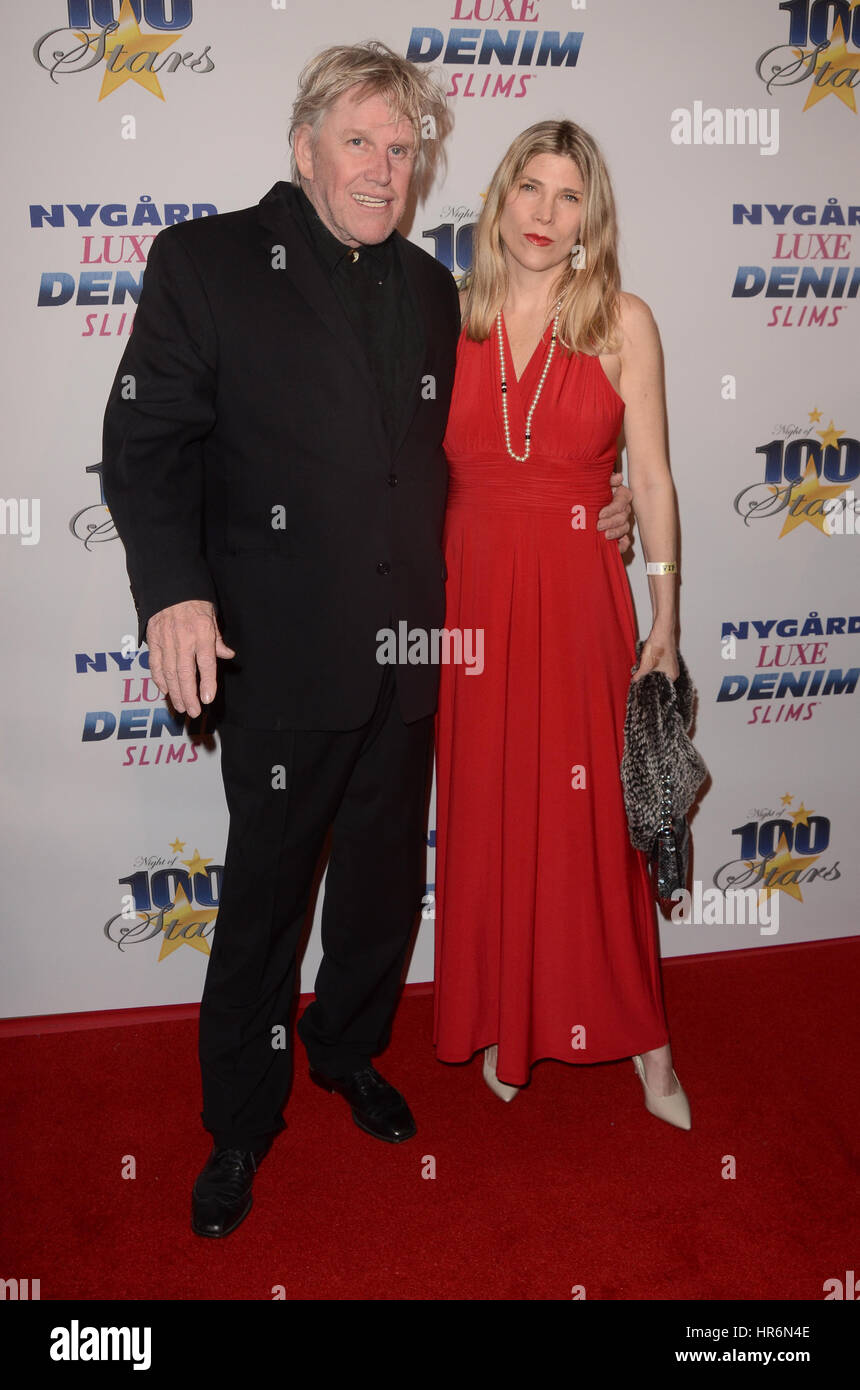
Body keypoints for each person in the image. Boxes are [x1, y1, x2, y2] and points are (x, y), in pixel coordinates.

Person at [101, 45, 636, 1240]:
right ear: (303, 147)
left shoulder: (437, 289)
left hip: (411, 656)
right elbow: (145, 446)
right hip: (281, 658)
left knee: (385, 890)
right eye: (360, 141)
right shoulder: (208, 261)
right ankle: (242, 1119)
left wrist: (602, 499)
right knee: (264, 904)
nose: (382, 168)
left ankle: (345, 1049)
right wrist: (173, 590)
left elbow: (497, 451)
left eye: (402, 150)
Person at [433, 119, 692, 1130]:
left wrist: (663, 610)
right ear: (499, 199)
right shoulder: (442, 316)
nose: (544, 214)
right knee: (490, 811)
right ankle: (508, 1018)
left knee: (591, 826)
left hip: (582, 599)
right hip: (468, 600)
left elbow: (656, 478)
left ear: (591, 217)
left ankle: (648, 1047)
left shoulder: (621, 319)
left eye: (567, 196)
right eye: (528, 189)